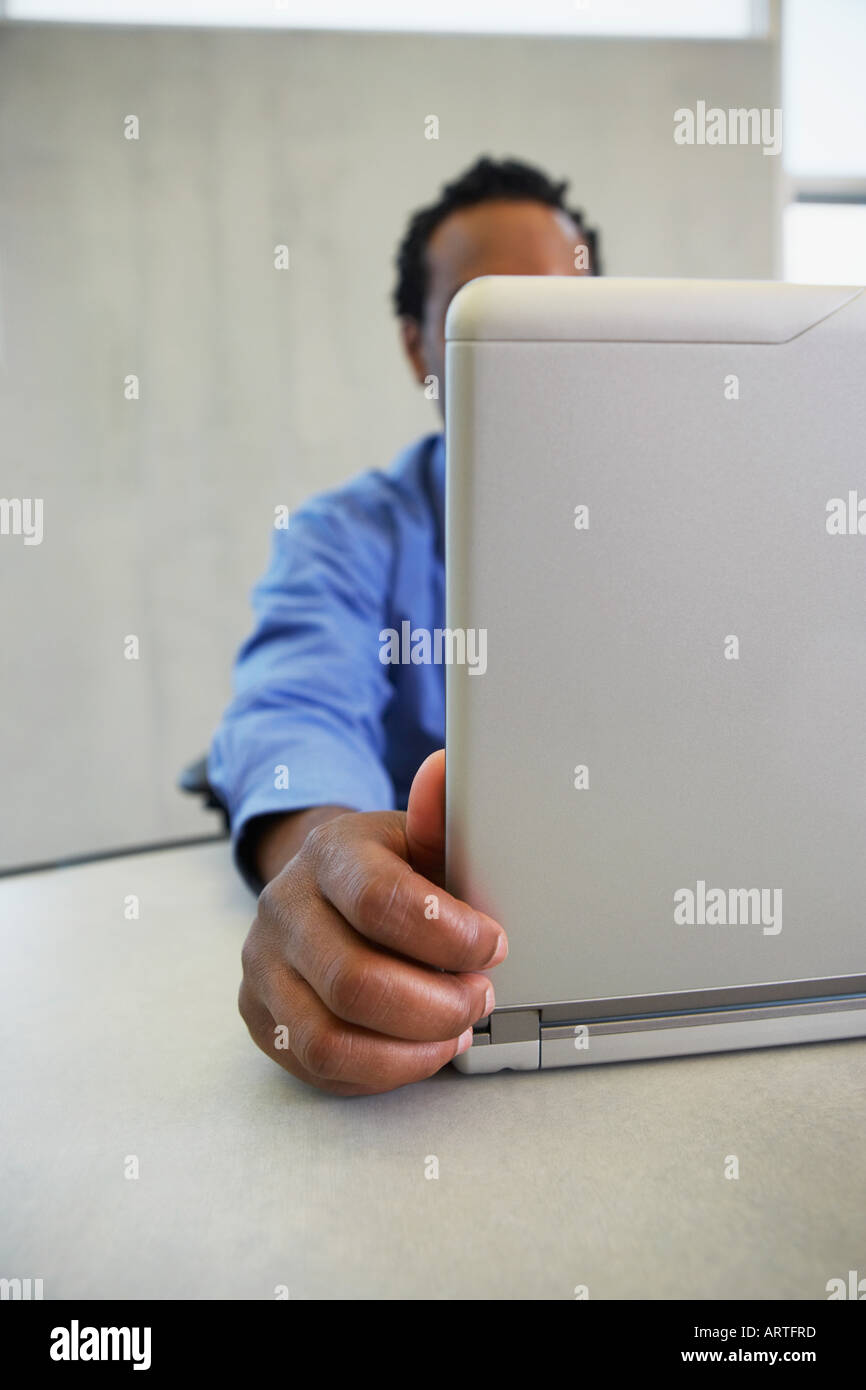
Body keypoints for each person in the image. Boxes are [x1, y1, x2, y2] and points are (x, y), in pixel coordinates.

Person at [209, 155, 600, 1095]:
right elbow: (293, 712)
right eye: (481, 317)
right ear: (418, 347)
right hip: (459, 992)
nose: (525, 351)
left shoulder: (688, 528)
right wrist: (330, 862)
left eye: (555, 316)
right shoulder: (344, 537)